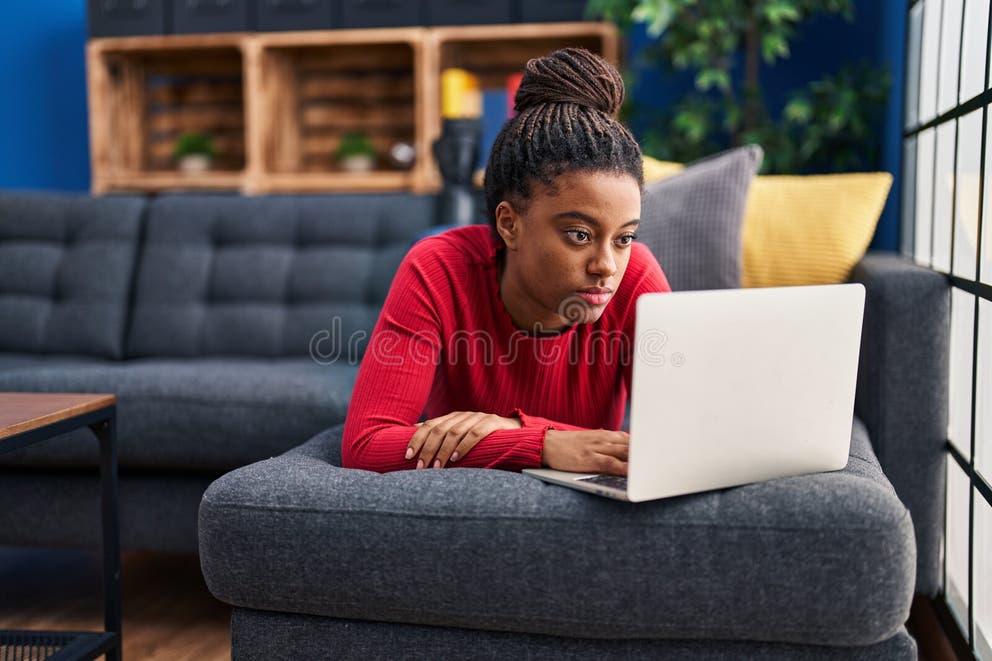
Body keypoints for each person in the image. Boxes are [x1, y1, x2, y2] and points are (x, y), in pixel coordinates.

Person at [342, 47, 671, 475]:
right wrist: (543, 444)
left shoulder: (637, 277)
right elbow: (367, 444)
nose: (607, 265)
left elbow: (677, 441)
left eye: (625, 237)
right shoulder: (439, 268)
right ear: (509, 224)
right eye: (579, 235)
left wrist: (510, 427)